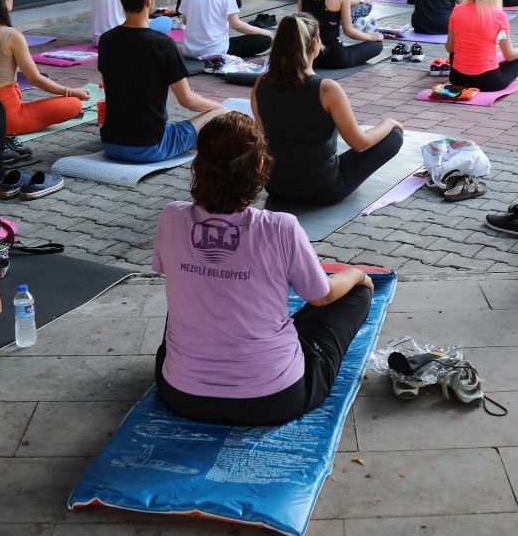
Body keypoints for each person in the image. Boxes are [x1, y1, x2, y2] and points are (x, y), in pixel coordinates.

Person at [152, 111, 374, 425]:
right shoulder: (281, 227)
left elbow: (167, 270)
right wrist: (356, 274)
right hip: (274, 399)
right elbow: (320, 296)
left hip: (182, 395)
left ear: (199, 163)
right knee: (355, 294)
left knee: (186, 301)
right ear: (259, 166)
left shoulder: (171, 216)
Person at [253, 12, 404, 205]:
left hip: (275, 185)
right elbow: (360, 143)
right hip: (322, 189)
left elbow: (261, 135)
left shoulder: (261, 81)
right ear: (315, 45)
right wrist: (388, 123)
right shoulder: (326, 89)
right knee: (394, 137)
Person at [100, 0, 226, 163]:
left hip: (110, 143)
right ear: (149, 0)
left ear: (121, 0)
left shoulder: (106, 40)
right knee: (220, 115)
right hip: (150, 146)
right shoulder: (162, 44)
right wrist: (219, 108)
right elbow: (188, 100)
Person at [0, 0, 89, 134]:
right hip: (7, 117)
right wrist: (71, 91)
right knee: (74, 104)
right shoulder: (11, 35)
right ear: (2, 2)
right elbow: (35, 79)